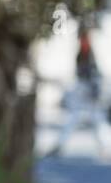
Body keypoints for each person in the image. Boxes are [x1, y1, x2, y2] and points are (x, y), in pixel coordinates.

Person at [47, 31, 111, 160]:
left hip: (92, 94)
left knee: (97, 121)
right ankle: (59, 145)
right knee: (72, 119)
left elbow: (97, 75)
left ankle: (106, 148)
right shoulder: (80, 55)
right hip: (82, 93)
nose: (83, 42)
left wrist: (95, 90)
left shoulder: (92, 55)